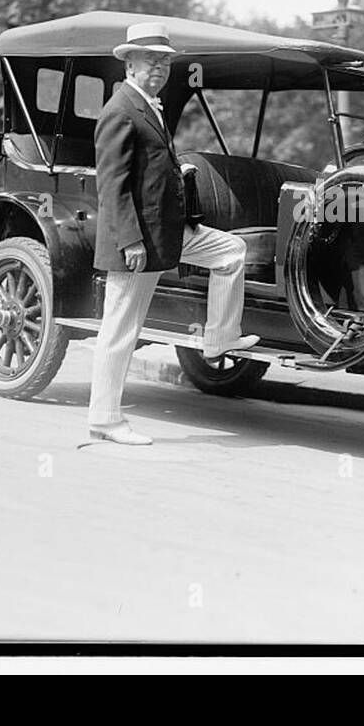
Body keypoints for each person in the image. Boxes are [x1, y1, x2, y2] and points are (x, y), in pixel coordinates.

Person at [87, 22, 260, 446]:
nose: (159, 69)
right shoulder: (121, 110)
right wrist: (129, 241)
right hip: (137, 241)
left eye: (164, 62)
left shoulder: (148, 106)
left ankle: (219, 338)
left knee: (230, 252)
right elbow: (112, 186)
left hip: (166, 231)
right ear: (129, 62)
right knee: (120, 329)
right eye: (151, 61)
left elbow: (148, 174)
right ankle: (105, 419)